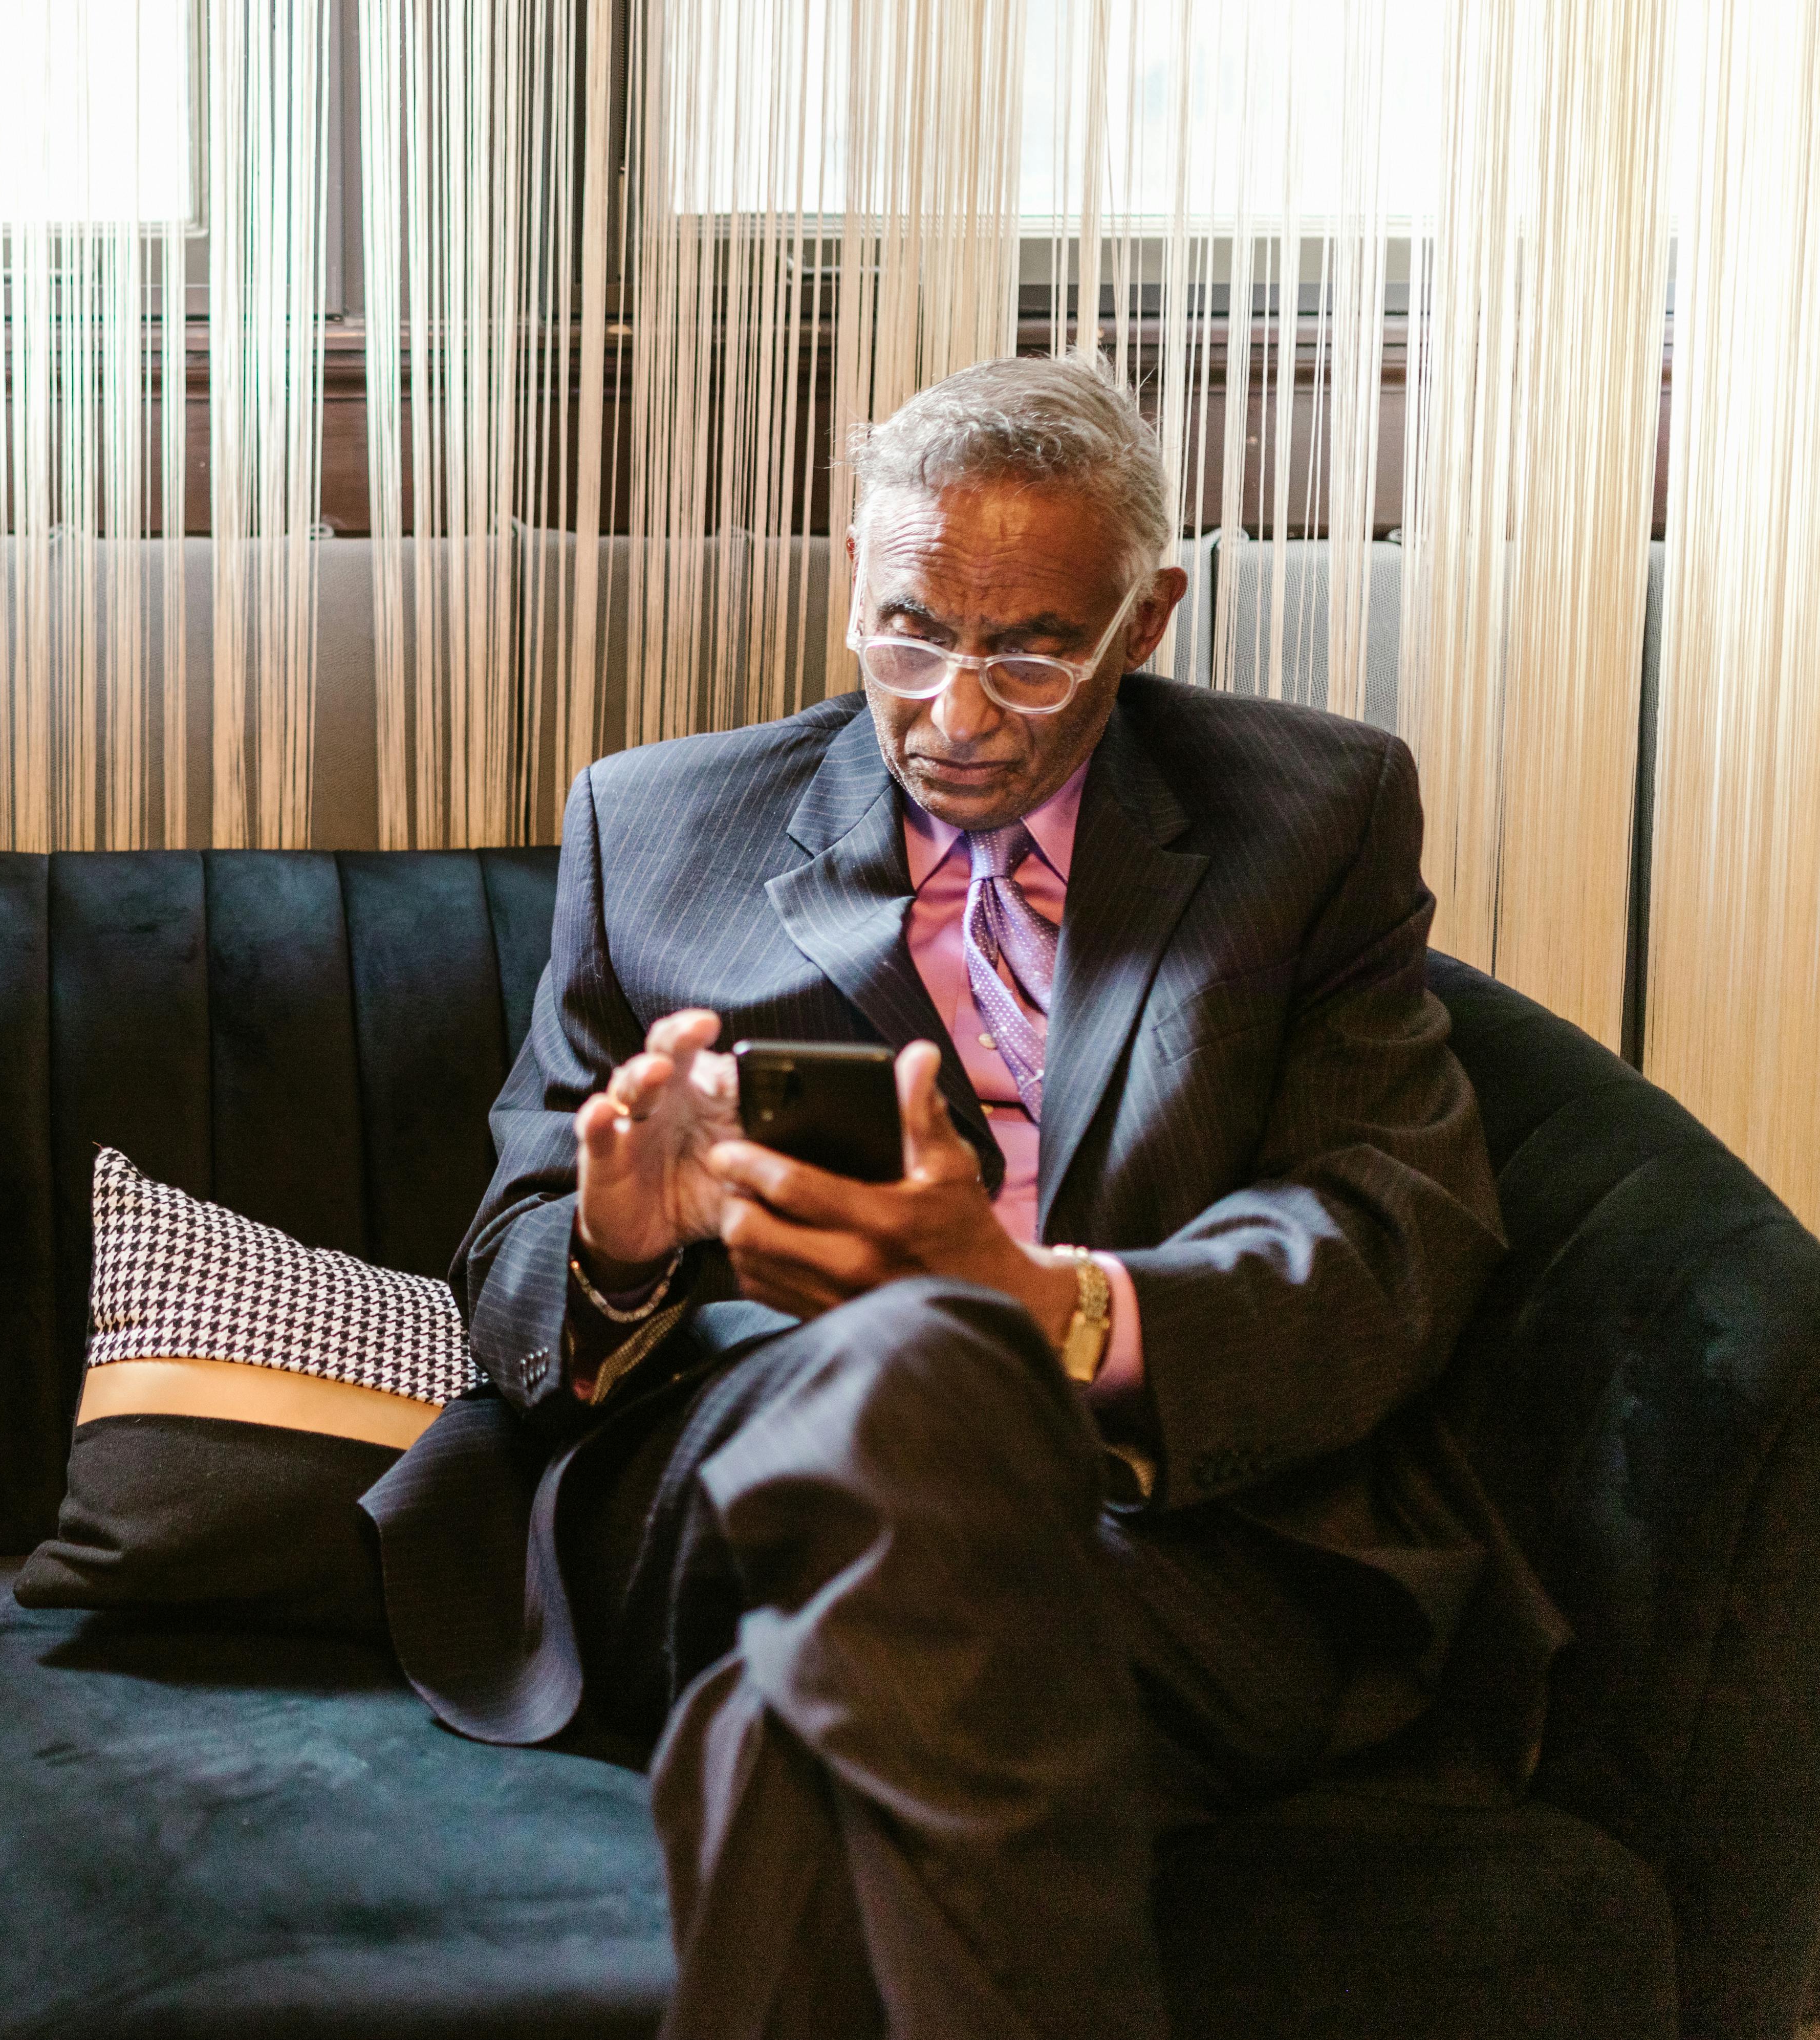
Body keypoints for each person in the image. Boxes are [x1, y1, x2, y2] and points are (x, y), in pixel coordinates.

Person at [363, 354, 1565, 2039]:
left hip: (1167, 1526)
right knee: (910, 1377)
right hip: (736, 1466)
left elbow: (1384, 1232)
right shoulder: (654, 825)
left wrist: (1040, 1307)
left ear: (1144, 623)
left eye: (1030, 652)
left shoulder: (1311, 817)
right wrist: (621, 1234)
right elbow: (508, 1257)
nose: (957, 712)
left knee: (841, 1710)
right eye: (909, 635)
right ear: (851, 582)